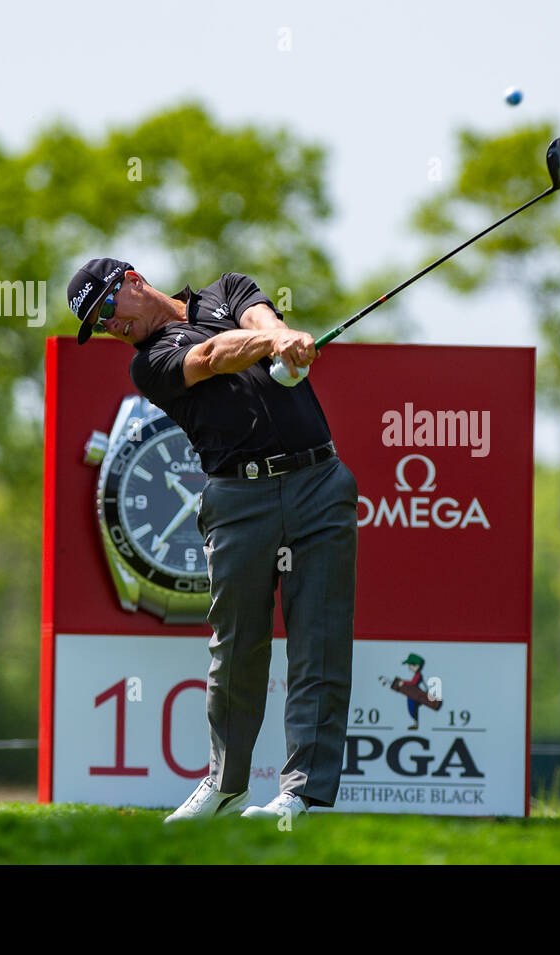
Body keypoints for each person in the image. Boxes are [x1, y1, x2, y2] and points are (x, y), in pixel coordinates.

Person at [66, 258, 358, 824]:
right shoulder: (148, 364)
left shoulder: (226, 290)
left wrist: (284, 340)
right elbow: (209, 358)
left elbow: (258, 315)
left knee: (319, 640)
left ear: (132, 281)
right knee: (237, 646)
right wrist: (271, 344)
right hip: (237, 498)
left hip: (318, 482)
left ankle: (306, 797)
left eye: (107, 309)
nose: (109, 325)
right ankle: (226, 786)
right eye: (98, 325)